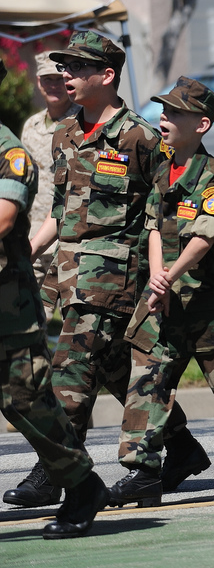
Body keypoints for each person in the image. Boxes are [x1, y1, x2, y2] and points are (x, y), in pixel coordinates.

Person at [6, 31, 199, 509]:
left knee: (68, 369)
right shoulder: (66, 132)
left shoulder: (140, 136)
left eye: (76, 67)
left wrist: (164, 276)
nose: (65, 75)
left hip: (116, 276)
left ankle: (55, 472)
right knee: (112, 367)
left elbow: (165, 211)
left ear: (107, 75)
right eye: (63, 67)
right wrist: (30, 249)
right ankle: (181, 444)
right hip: (68, 270)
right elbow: (62, 208)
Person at [106, 77, 214, 507]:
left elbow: (205, 236)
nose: (164, 117)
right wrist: (158, 275)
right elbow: (154, 226)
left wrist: (169, 275)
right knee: (147, 379)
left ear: (202, 124)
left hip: (212, 307)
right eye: (164, 109)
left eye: (175, 112)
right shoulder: (163, 167)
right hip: (166, 299)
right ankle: (141, 472)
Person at [0, 59, 108, 539]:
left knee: (24, 400)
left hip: (7, 306)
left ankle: (82, 485)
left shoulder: (9, 151)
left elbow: (3, 220)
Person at [21, 52, 79, 291]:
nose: (54, 85)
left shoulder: (81, 122)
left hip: (67, 238)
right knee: (33, 313)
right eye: (47, 79)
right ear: (38, 82)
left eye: (58, 79)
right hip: (32, 234)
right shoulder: (31, 125)